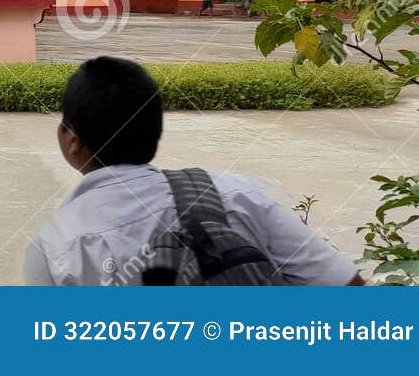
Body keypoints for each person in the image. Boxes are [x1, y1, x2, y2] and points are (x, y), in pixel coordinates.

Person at [23, 56, 361, 285]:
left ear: (71, 140)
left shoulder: (54, 247)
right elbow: (350, 288)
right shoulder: (236, 195)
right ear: (154, 130)